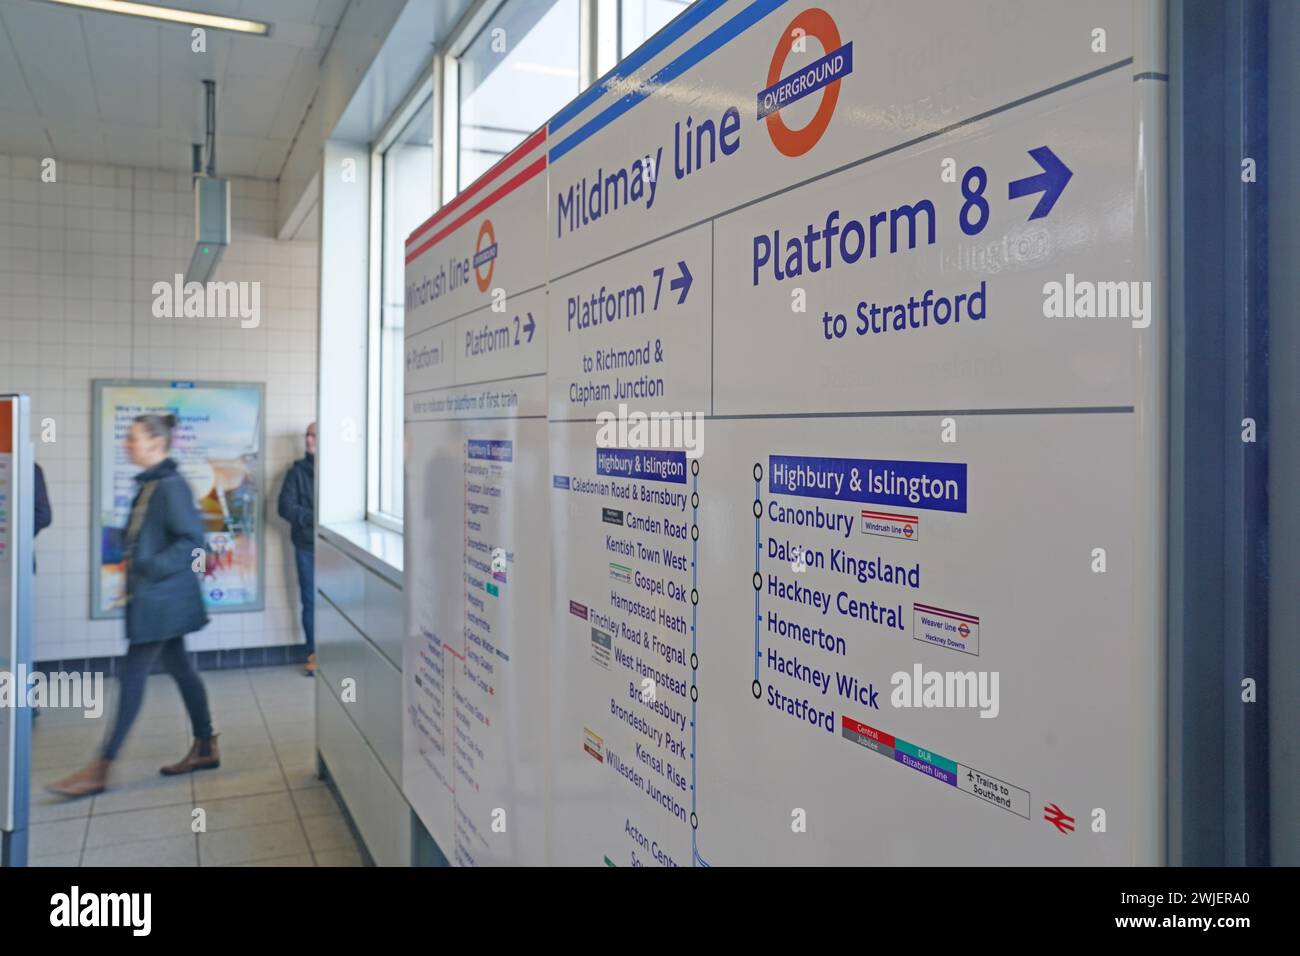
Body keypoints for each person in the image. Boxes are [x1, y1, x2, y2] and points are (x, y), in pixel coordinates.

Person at [48, 414, 219, 797]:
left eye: (133, 439)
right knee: (181, 669)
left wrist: (147, 566)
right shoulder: (152, 485)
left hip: (163, 601)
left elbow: (193, 542)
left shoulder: (170, 486)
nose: (127, 444)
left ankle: (100, 768)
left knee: (132, 676)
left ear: (156, 445)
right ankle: (206, 745)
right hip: (158, 599)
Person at [278, 422, 316, 675]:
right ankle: (314, 654)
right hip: (307, 547)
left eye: (314, 436)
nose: (309, 440)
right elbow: (284, 507)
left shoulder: (343, 470)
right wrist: (313, 518)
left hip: (337, 549)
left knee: (345, 603)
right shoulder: (296, 472)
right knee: (310, 602)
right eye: (308, 435)